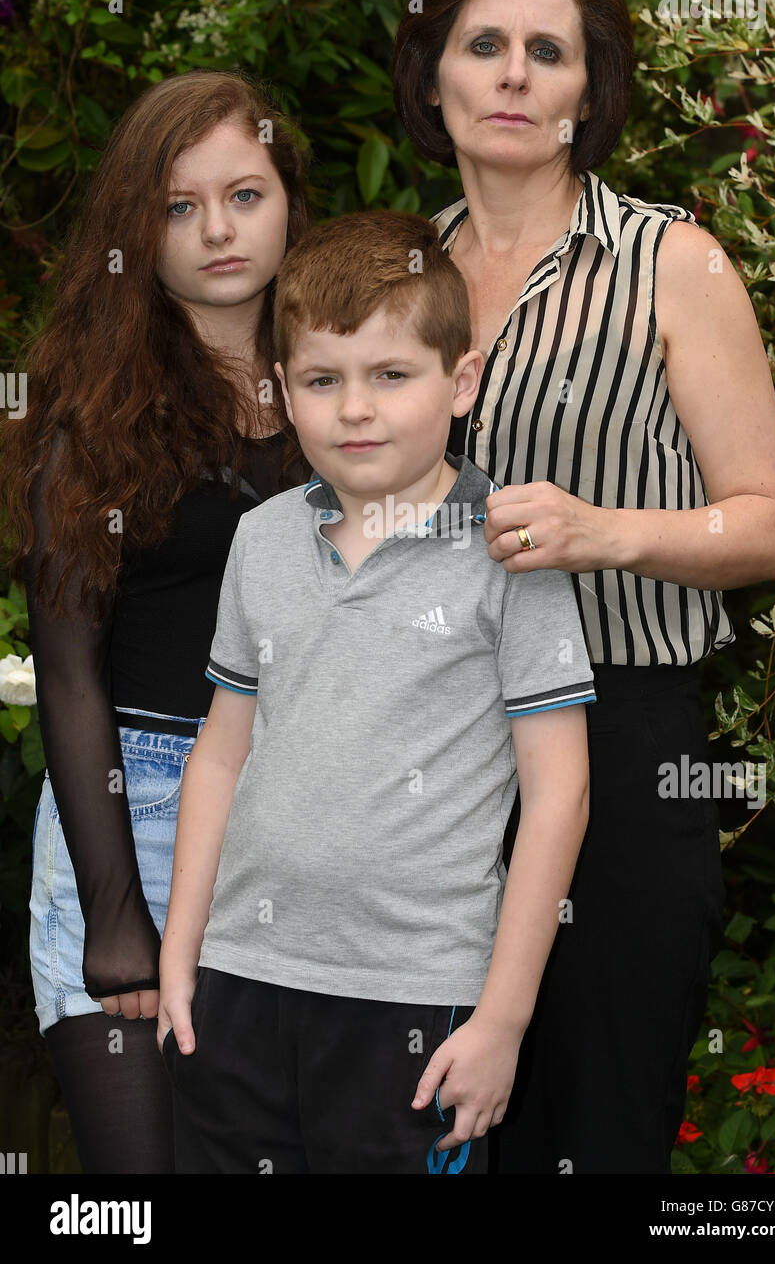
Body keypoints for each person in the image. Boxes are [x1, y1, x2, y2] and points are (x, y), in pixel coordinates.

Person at [390, 0, 775, 1173]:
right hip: (439, 753)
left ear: (588, 91)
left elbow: (773, 524)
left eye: (548, 51)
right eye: (484, 44)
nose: (514, 74)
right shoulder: (406, 267)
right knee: (437, 1125)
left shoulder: (672, 263)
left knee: (600, 1126)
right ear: (436, 78)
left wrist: (599, 531)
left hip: (623, 751)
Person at [157, 209, 596, 1175]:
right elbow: (221, 752)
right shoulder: (261, 538)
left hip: (418, 1005)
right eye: (322, 380)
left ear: (461, 379)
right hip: (240, 983)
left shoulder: (511, 553)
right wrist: (180, 956)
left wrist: (502, 1021)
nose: (355, 409)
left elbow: (559, 792)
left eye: (391, 375)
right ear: (284, 392)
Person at [1, 70, 312, 1173]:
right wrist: (115, 918)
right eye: (179, 207)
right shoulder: (91, 413)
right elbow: (70, 674)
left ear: (290, 200)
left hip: (307, 824)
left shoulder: (348, 389)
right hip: (136, 804)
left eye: (245, 194)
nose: (218, 231)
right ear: (138, 228)